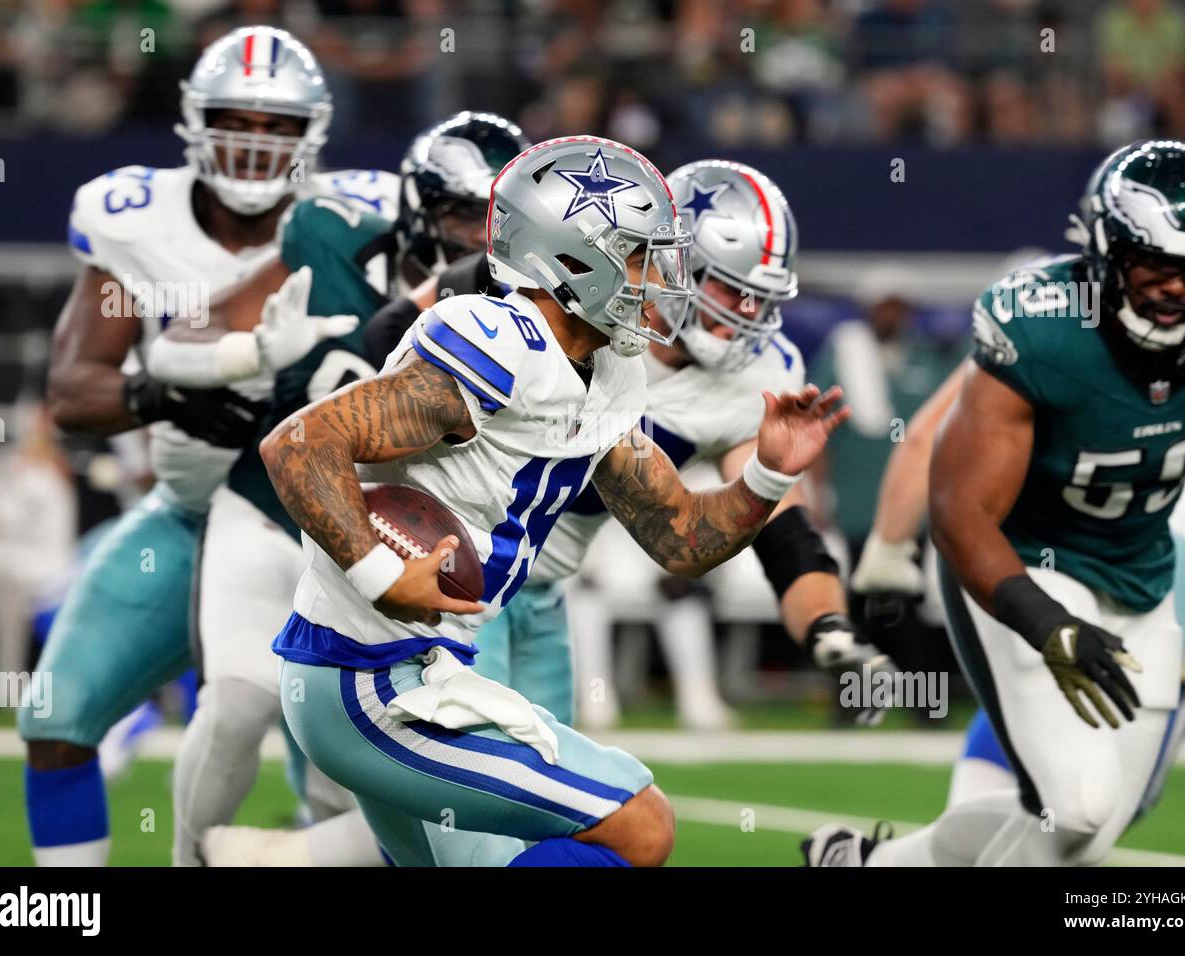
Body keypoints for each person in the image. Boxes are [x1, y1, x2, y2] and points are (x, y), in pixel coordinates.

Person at [258, 135, 848, 866]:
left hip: (417, 669)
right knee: (639, 824)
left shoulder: (607, 369)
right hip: (365, 676)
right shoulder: (498, 342)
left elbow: (679, 536)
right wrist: (380, 572)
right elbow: (300, 442)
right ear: (574, 256)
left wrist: (766, 473)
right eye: (640, 256)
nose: (661, 279)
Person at [806, 140, 1185, 867]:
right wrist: (1046, 623)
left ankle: (868, 865)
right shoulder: (1040, 325)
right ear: (1106, 250)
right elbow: (958, 510)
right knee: (1075, 809)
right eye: (1155, 265)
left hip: (1143, 573)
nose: (1176, 288)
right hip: (1030, 561)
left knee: (1093, 828)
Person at [16, 25, 384, 867]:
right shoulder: (136, 217)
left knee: (335, 775)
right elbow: (74, 394)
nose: (254, 143)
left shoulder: (354, 220)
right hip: (185, 515)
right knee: (56, 716)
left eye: (275, 126)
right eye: (236, 120)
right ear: (194, 121)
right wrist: (166, 391)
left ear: (311, 135)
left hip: (313, 527)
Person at [146, 111, 529, 866]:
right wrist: (247, 352)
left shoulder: (518, 312)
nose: (479, 242)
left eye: (497, 222)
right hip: (268, 509)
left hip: (396, 539)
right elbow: (177, 339)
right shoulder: (331, 233)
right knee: (236, 705)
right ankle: (188, 858)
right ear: (418, 209)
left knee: (359, 771)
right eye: (461, 216)